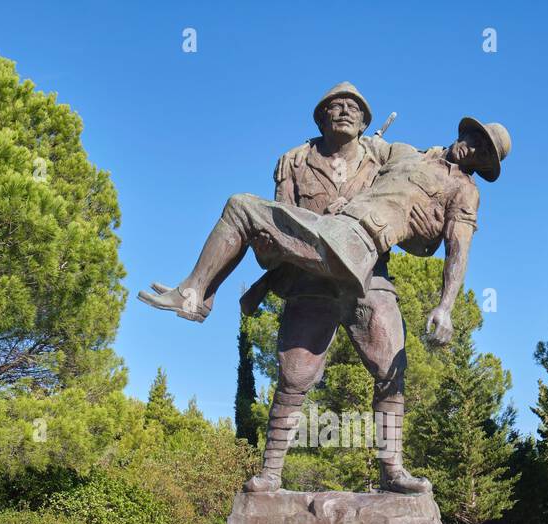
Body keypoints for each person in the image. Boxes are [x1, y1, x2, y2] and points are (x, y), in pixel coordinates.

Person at [139, 114, 512, 494]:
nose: (476, 148)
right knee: (294, 375)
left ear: (484, 167)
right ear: (463, 131)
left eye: (485, 153)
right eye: (476, 138)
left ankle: (393, 471)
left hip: (358, 253)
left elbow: (458, 249)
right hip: (334, 240)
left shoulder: (465, 191)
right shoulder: (402, 152)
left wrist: (445, 304)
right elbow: (352, 146)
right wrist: (304, 158)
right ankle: (270, 474)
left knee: (391, 370)